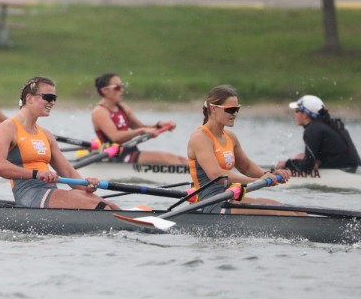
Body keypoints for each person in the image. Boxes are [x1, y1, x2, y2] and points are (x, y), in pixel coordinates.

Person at [0, 76, 118, 210]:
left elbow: (68, 171)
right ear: (29, 98)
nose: (52, 102)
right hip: (30, 196)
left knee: (112, 206)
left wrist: (87, 185)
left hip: (48, 192)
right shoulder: (9, 127)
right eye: (48, 97)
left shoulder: (46, 134)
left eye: (54, 98)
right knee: (100, 207)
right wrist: (36, 174)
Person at [186, 85, 295, 214]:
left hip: (228, 199)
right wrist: (258, 181)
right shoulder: (201, 138)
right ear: (213, 109)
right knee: (278, 212)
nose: (235, 114)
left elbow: (247, 167)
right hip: (211, 205)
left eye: (237, 109)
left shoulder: (230, 137)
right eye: (230, 110)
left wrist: (268, 174)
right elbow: (217, 175)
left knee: (291, 210)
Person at [90, 73, 187, 165]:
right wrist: (141, 131)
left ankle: (197, 175)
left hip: (131, 151)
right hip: (115, 155)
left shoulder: (123, 108)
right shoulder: (100, 112)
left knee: (181, 160)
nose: (122, 90)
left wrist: (158, 125)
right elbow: (115, 137)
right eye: (117, 87)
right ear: (104, 90)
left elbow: (140, 127)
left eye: (122, 86)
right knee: (168, 159)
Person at [277, 95, 360, 174]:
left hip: (343, 172)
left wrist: (287, 163)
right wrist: (316, 160)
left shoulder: (312, 130)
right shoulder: (331, 124)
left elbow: (307, 166)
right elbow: (338, 154)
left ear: (305, 115)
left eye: (297, 111)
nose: (295, 114)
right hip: (353, 169)